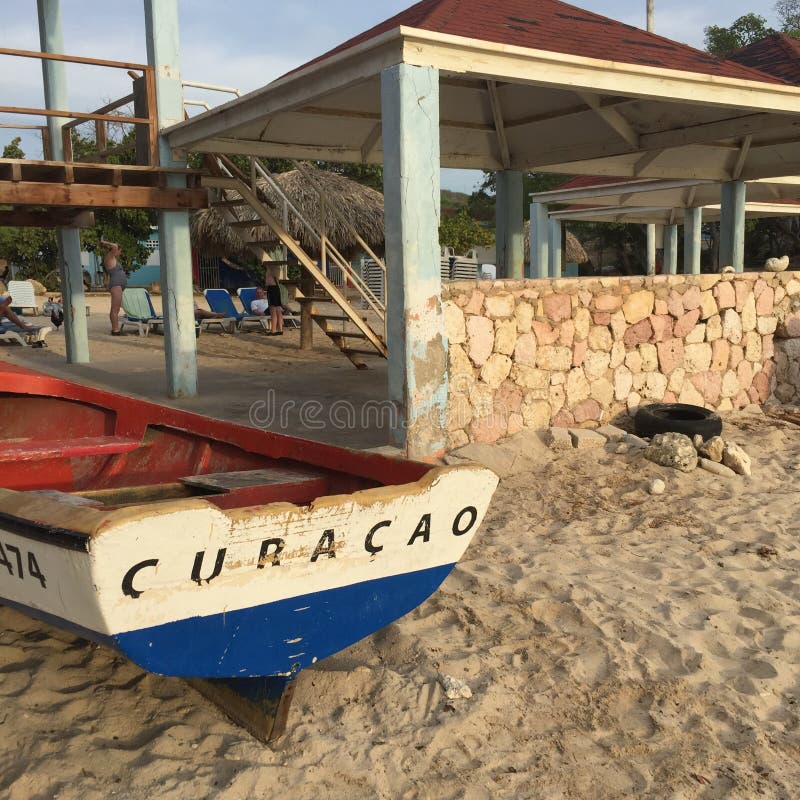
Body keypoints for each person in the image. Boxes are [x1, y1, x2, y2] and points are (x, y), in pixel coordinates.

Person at [99, 238, 127, 335]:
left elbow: (115, 246)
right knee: (115, 309)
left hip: (118, 285)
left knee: (116, 309)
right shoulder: (110, 256)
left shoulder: (113, 258)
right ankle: (115, 330)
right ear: (116, 250)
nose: (120, 253)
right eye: (120, 250)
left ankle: (115, 329)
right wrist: (105, 243)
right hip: (116, 285)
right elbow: (115, 245)